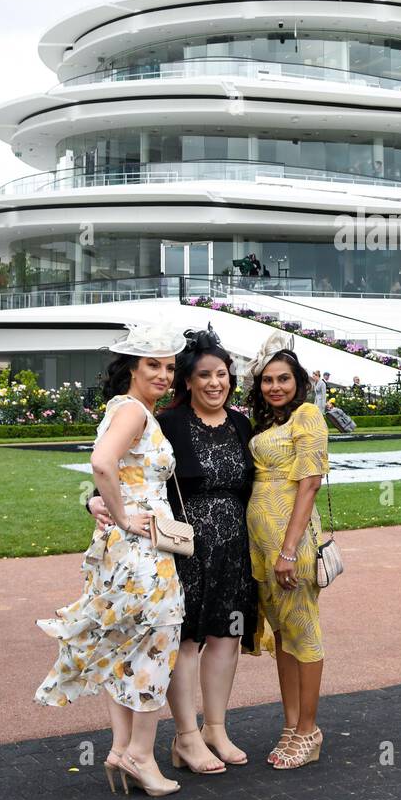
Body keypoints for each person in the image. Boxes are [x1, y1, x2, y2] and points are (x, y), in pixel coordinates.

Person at [89, 325, 259, 773]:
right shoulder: (166, 422)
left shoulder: (241, 424)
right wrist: (92, 500)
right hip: (181, 547)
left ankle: (215, 728)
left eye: (221, 374)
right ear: (189, 381)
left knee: (227, 635)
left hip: (232, 549)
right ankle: (186, 737)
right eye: (203, 374)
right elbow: (122, 470)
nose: (213, 383)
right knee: (183, 640)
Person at [35, 319, 187, 799]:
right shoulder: (133, 412)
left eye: (168, 367)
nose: (164, 375)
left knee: (129, 640)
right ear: (131, 369)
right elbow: (102, 462)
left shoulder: (128, 409)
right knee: (159, 640)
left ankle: (123, 749)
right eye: (153, 366)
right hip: (143, 548)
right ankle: (140, 755)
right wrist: (122, 516)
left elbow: (109, 467)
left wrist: (109, 509)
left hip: (130, 548)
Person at [242, 334, 330, 770]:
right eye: (268, 380)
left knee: (304, 632)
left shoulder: (308, 416)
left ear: (299, 382)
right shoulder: (266, 425)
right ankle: (292, 723)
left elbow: (310, 483)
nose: (275, 387)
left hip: (289, 543)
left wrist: (290, 550)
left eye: (284, 379)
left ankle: (309, 730)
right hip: (262, 544)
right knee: (283, 637)